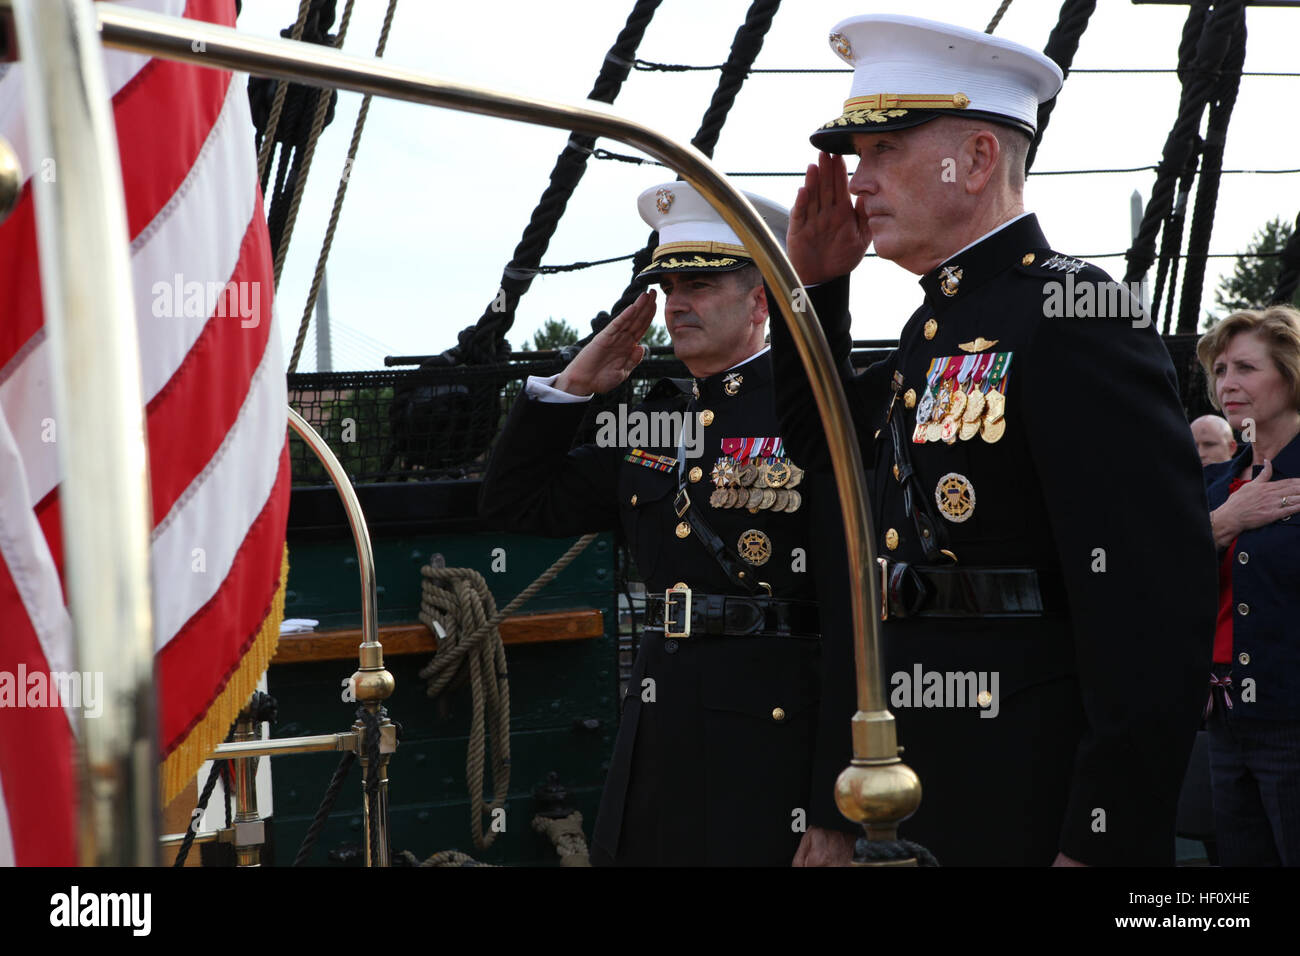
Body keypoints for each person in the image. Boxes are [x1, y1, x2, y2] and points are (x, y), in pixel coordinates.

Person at [769, 13, 1217, 865]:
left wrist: (1102, 837)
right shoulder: (934, 326)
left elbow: (1153, 601)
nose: (857, 183)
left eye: (884, 151)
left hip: (1025, 782)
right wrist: (818, 291)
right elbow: (819, 450)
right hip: (920, 768)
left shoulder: (1074, 314)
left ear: (976, 160)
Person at [479, 182, 857, 865]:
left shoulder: (815, 410)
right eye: (670, 284)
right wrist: (571, 387)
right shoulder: (654, 419)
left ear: (762, 301)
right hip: (661, 725)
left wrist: (835, 807)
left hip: (773, 740)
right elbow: (515, 502)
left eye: (702, 284)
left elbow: (856, 620)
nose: (677, 302)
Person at [1198, 306, 1300, 866]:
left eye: (1245, 368)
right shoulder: (1211, 486)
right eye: (1219, 370)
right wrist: (1225, 522)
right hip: (1224, 716)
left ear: (1290, 374)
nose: (1228, 384)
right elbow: (1154, 584)